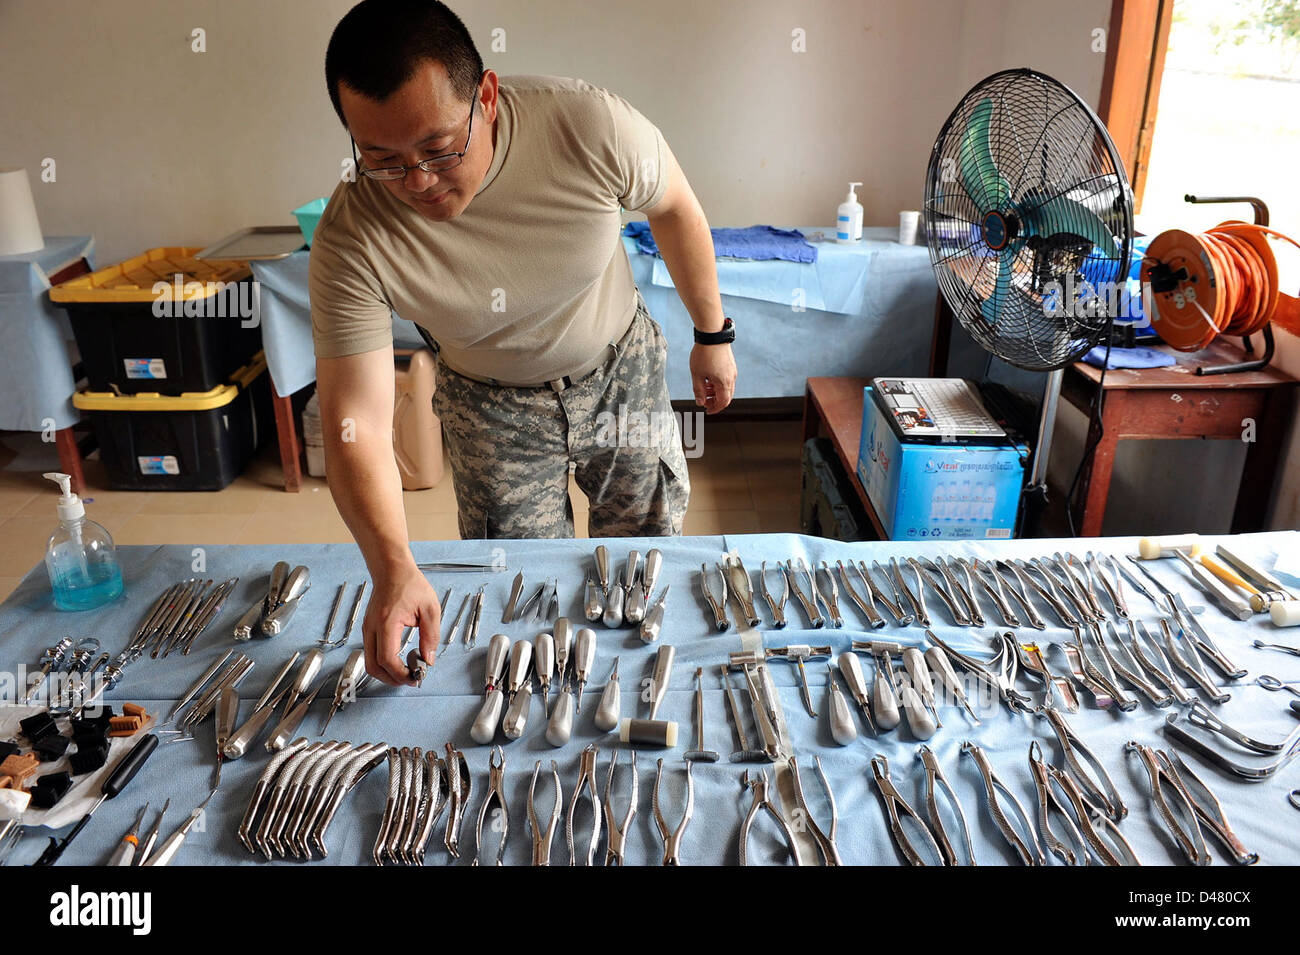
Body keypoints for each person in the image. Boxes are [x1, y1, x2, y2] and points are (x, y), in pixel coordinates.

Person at [311, 0, 737, 685]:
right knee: (520, 584)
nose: (418, 182)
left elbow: (676, 208)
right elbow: (354, 419)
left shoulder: (587, 125)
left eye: (439, 148)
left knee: (643, 556)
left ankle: (640, 689)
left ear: (486, 96)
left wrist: (712, 334)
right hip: (489, 408)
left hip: (617, 369)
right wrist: (393, 565)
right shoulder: (351, 234)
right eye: (384, 159)